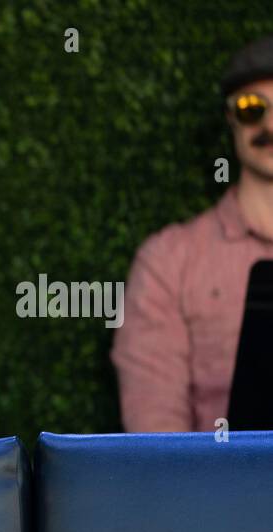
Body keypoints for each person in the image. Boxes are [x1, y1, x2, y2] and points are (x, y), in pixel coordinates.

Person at [112, 34, 273, 431]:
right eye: (253, 108)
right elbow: (159, 439)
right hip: (225, 491)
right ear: (231, 120)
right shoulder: (168, 261)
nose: (271, 123)